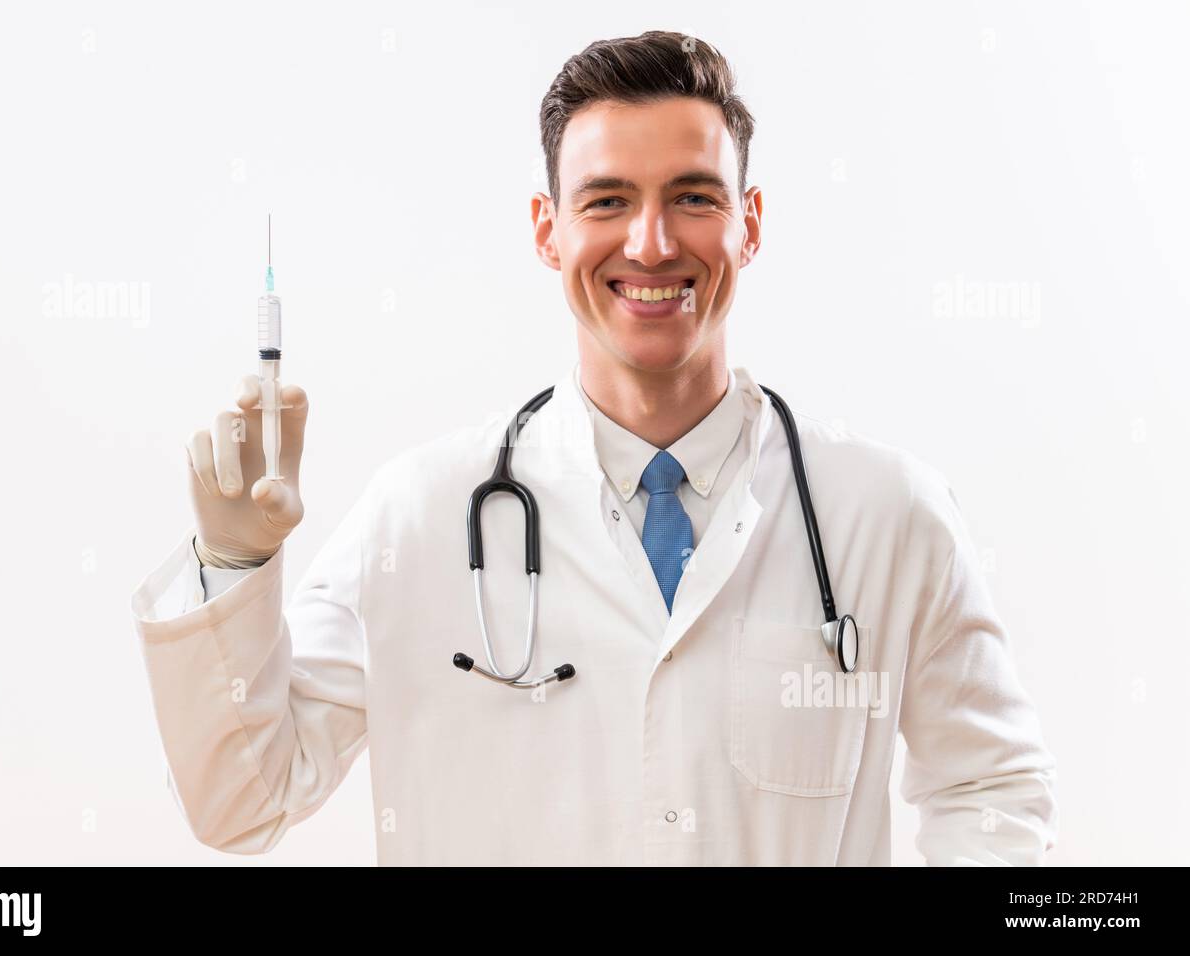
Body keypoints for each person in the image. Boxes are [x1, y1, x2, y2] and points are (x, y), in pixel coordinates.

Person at [131, 30, 1059, 865]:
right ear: (549, 230)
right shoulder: (418, 516)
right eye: (608, 200)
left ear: (752, 222)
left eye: (693, 197)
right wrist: (234, 565)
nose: (651, 243)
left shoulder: (886, 513)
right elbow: (240, 804)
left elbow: (992, 793)